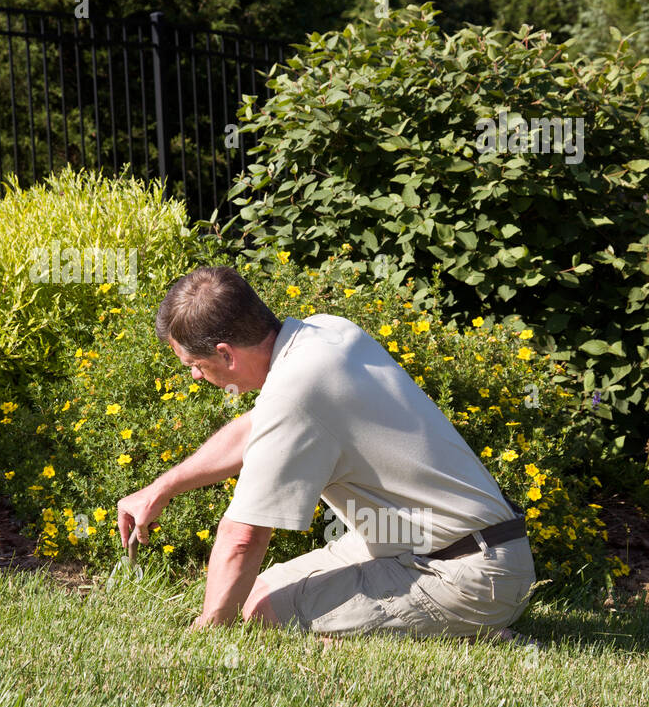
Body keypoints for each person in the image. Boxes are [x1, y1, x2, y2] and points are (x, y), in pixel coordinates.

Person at [115, 265, 538, 642]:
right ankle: (461, 620)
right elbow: (254, 431)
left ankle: (474, 623)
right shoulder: (324, 333)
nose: (193, 374)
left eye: (194, 363)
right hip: (441, 546)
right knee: (258, 592)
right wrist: (164, 487)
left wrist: (210, 630)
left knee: (262, 615)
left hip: (464, 570)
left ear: (225, 352)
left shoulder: (296, 392)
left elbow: (244, 537)